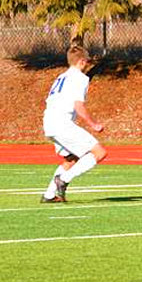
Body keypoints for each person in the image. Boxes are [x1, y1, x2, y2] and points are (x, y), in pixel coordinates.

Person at [40, 46, 107, 203]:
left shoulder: (61, 76)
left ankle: (49, 195)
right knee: (99, 153)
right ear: (82, 61)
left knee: (71, 159)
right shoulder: (80, 78)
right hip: (62, 123)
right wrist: (93, 124)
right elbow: (78, 106)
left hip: (49, 122)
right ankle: (63, 179)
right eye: (86, 62)